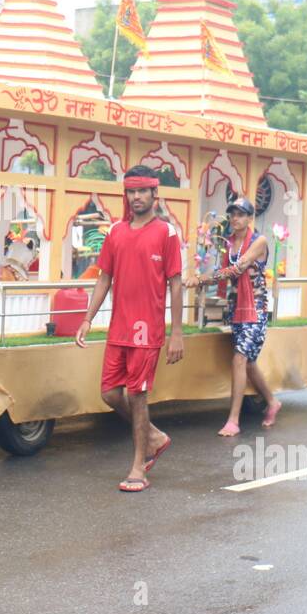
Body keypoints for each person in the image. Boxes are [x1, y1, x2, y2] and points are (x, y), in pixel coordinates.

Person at [75, 166, 184, 492]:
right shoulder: (115, 232)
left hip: (147, 331)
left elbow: (176, 284)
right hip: (118, 329)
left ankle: (138, 467)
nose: (136, 197)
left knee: (137, 395)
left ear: (154, 194)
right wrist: (87, 318)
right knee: (109, 394)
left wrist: (176, 332)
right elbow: (104, 277)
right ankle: (152, 436)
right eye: (131, 192)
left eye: (142, 191)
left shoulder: (167, 233)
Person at [208, 198, 280, 437]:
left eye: (240, 214)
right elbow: (222, 273)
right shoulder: (229, 244)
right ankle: (272, 401)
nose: (235, 218)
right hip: (236, 308)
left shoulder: (259, 241)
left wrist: (201, 279)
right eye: (233, 214)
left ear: (250, 218)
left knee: (239, 359)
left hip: (256, 310)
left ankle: (233, 420)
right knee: (248, 363)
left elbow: (239, 268)